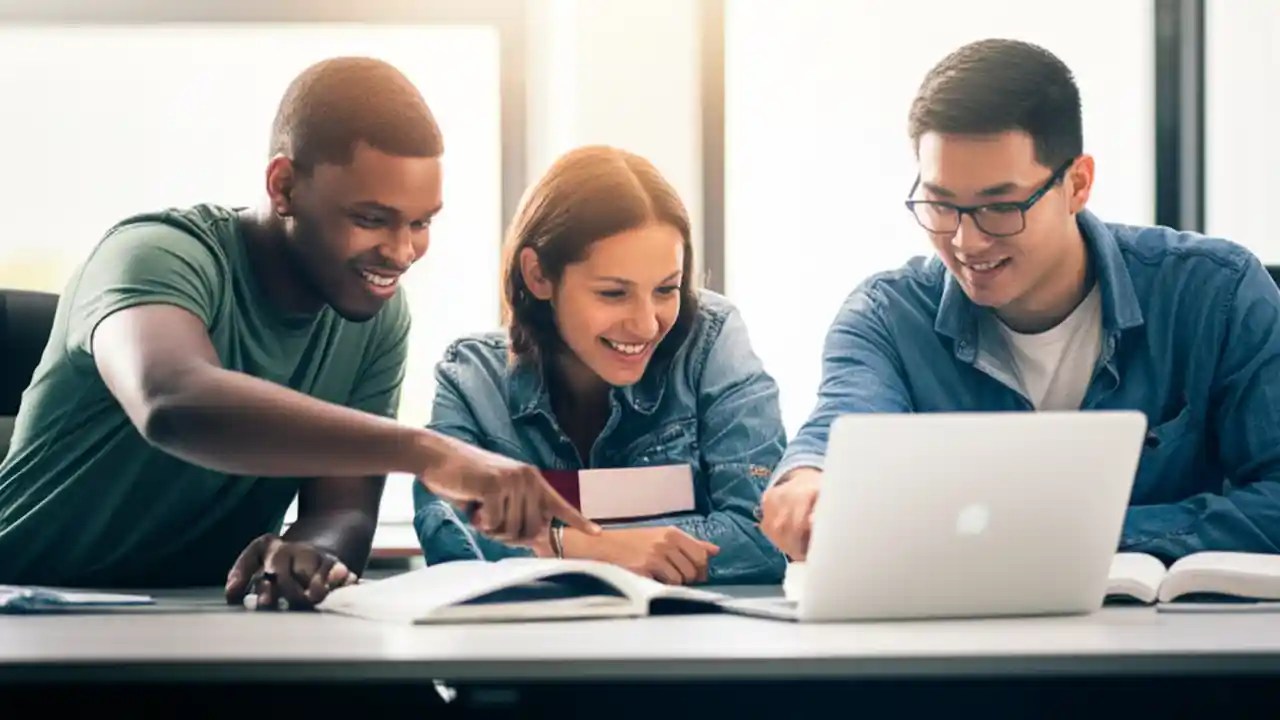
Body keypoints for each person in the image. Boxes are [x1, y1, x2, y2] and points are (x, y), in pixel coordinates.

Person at [0, 56, 597, 607]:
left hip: (196, 620)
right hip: (30, 612)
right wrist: (430, 452)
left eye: (420, 222)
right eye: (370, 219)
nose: (400, 252)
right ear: (284, 186)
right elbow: (171, 400)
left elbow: (342, 514)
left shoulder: (377, 315)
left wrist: (310, 555)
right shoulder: (156, 254)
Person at [761, 38, 1280, 564]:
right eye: (940, 205)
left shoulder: (1217, 293)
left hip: (1182, 639)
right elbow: (844, 424)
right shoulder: (887, 317)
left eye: (1000, 207)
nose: (966, 242)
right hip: (963, 636)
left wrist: (1076, 538)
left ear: (1077, 184)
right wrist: (809, 479)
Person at [413, 145, 787, 585]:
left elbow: (766, 536)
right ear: (538, 276)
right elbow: (449, 534)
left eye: (667, 289)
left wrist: (548, 546)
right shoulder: (473, 377)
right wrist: (596, 550)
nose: (647, 324)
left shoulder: (712, 340)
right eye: (614, 293)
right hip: (528, 643)